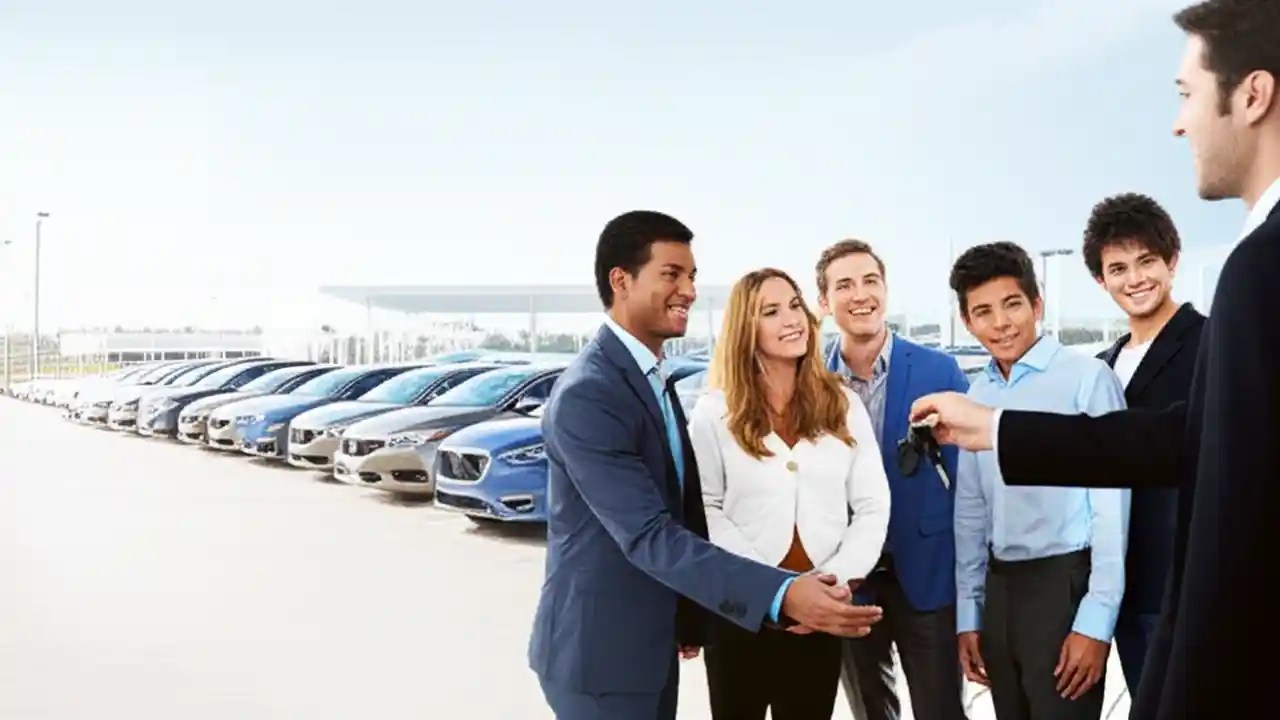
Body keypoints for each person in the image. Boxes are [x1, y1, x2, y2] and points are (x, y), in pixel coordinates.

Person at [909, 2, 1280, 716]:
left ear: (1253, 95)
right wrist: (994, 428)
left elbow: (1225, 492)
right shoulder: (1121, 354)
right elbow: (1185, 435)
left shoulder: (1261, 269)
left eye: (1186, 95)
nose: (1180, 122)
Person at [529, 210, 885, 720]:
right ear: (621, 281)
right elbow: (651, 533)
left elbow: (681, 508)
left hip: (651, 648)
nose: (690, 290)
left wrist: (691, 617)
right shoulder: (593, 392)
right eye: (671, 274)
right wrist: (782, 593)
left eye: (692, 276)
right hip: (603, 657)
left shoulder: (650, 377)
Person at [688, 268, 891, 719]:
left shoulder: (842, 402)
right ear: (746, 328)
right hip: (740, 611)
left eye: (795, 305)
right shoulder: (714, 410)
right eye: (772, 311)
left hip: (820, 614)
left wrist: (832, 585)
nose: (792, 319)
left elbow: (873, 506)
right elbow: (706, 508)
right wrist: (775, 590)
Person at [948, 241, 1130, 720]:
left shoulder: (1087, 379)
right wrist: (971, 614)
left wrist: (1096, 622)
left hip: (1064, 588)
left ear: (1037, 303)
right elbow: (970, 511)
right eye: (983, 312)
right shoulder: (978, 390)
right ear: (968, 322)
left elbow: (1113, 513)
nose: (1001, 323)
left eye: (1012, 304)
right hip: (1000, 589)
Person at [815, 239, 970, 720]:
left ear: (885, 289)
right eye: (844, 285)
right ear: (824, 301)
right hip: (847, 577)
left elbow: (969, 483)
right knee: (869, 709)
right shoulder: (808, 375)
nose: (860, 295)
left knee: (941, 708)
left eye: (870, 281)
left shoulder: (938, 369)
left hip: (925, 571)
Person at [1081, 192, 1206, 695]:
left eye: (1147, 261)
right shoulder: (1101, 365)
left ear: (1172, 262)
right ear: (1100, 280)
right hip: (1122, 588)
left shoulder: (1211, 343)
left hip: (1187, 584)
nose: (1135, 279)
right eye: (1118, 268)